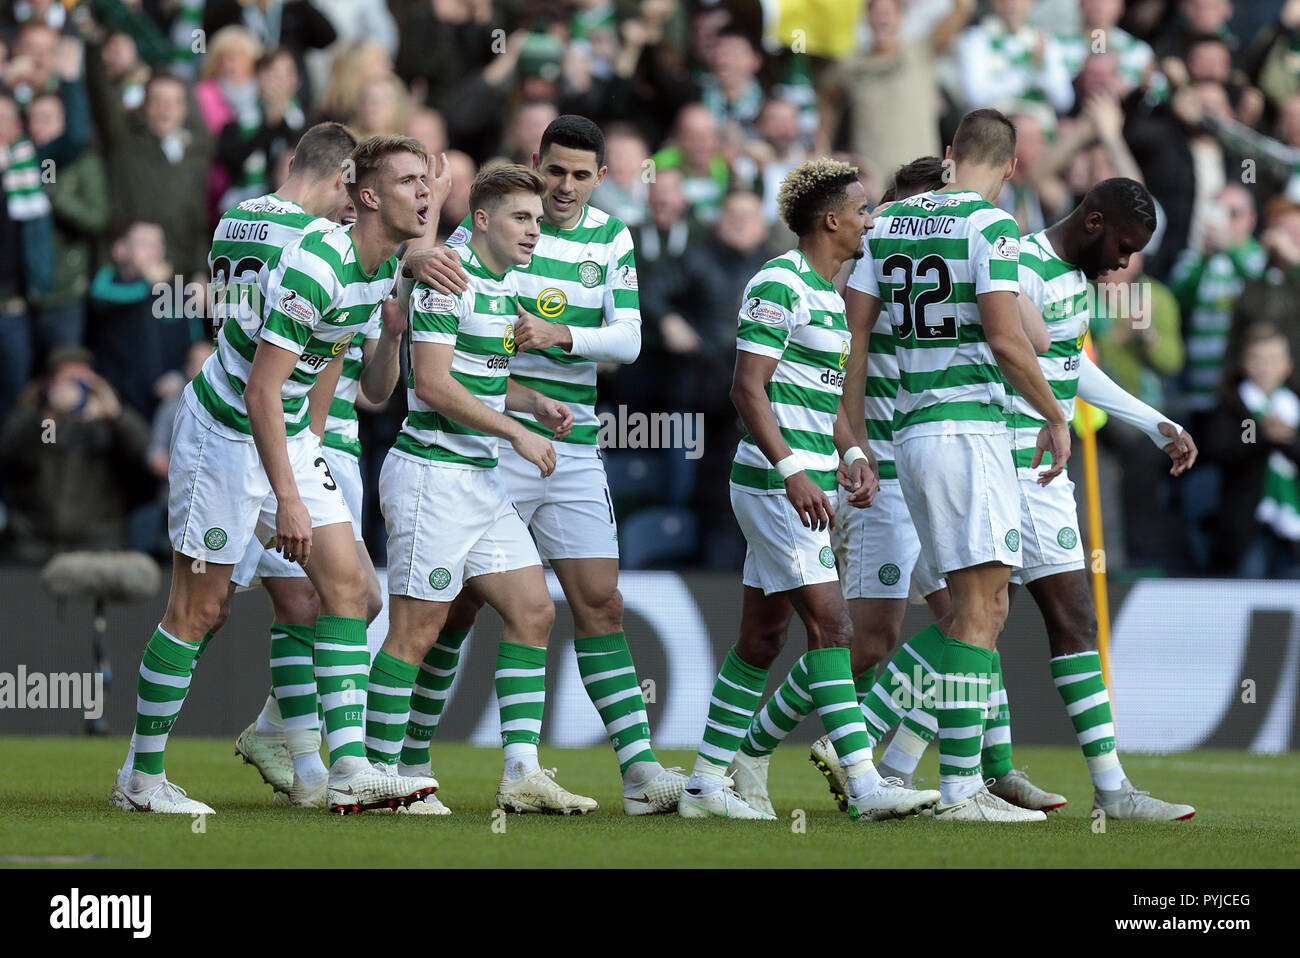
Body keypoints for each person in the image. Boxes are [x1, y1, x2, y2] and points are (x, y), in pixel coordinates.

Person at [109, 134, 439, 815]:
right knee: (200, 610)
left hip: (284, 436)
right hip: (224, 433)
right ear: (367, 196)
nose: (427, 191)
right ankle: (139, 779)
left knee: (348, 587)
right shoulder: (316, 262)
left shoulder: (381, 267)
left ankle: (347, 769)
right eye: (410, 180)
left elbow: (325, 361)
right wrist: (288, 496)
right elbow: (262, 388)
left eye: (426, 180)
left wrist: (308, 454)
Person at [398, 115, 688, 815]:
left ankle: (641, 773)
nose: (564, 186)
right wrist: (412, 257)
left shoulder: (611, 237)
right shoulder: (492, 225)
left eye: (579, 174)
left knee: (601, 603)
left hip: (572, 441)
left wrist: (561, 334)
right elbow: (425, 271)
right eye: (554, 170)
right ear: (536, 161)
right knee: (462, 608)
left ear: (601, 178)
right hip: (491, 442)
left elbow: (629, 340)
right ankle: (406, 757)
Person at [676, 156, 938, 821]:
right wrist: (795, 470)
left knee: (762, 640)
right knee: (835, 625)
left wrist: (850, 450)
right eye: (862, 210)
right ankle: (865, 783)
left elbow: (821, 401)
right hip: (774, 484)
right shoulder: (779, 282)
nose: (870, 219)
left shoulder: (827, 293)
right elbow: (747, 387)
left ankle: (706, 784)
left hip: (804, 481)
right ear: (832, 220)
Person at [836, 108, 1072, 823]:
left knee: (983, 606)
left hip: (909, 434)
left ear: (948, 155)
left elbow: (853, 329)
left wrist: (850, 434)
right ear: (1012, 167)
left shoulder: (892, 223)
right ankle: (961, 787)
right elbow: (1006, 337)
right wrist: (1055, 415)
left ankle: (951, 776)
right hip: (969, 431)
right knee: (977, 610)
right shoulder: (994, 227)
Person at [363, 163, 596, 816]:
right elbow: (432, 385)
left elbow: (479, 376)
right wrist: (515, 433)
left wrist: (532, 401)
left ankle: (520, 772)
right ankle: (381, 774)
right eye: (522, 218)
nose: (535, 230)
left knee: (534, 610)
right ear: (485, 219)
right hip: (431, 476)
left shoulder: (502, 284)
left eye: (539, 220)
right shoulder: (450, 279)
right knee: (416, 629)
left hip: (477, 479)